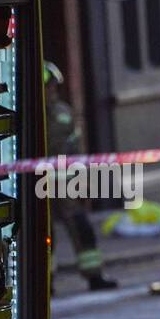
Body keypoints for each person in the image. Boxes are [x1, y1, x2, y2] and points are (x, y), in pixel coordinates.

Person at [44, 61, 117, 291]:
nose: (52, 92)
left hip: (66, 183)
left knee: (81, 226)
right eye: (49, 87)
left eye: (55, 87)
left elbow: (76, 149)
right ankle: (46, 282)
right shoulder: (29, 116)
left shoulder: (63, 112)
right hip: (38, 183)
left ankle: (94, 275)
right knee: (44, 235)